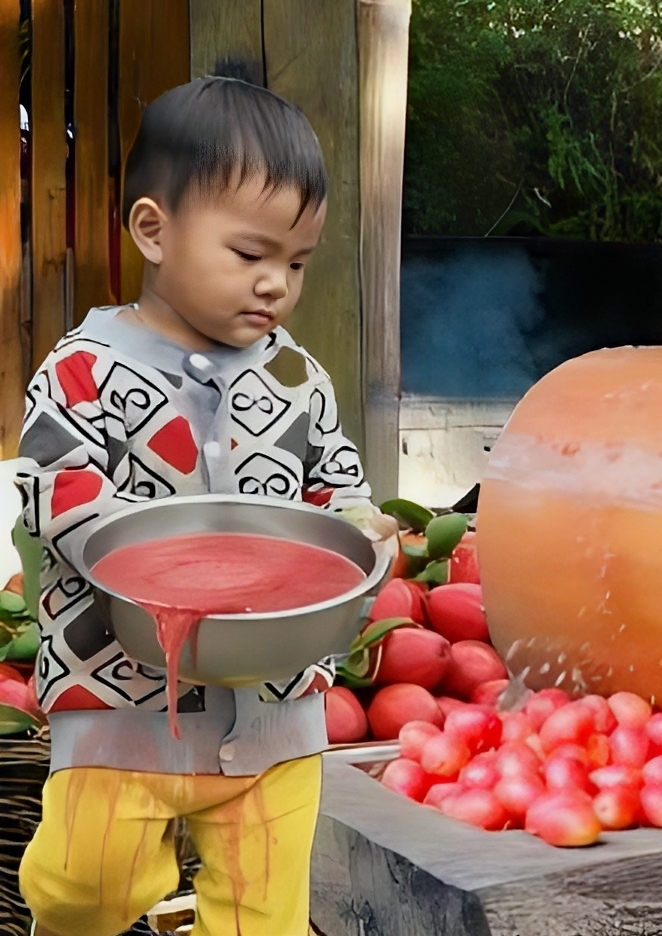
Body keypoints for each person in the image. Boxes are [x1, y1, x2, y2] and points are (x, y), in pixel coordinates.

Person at [11, 72, 394, 936]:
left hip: (274, 703)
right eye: (250, 255)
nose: (276, 286)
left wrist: (366, 530)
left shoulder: (296, 375)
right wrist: (151, 558)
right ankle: (119, 894)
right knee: (84, 887)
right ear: (154, 230)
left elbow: (335, 483)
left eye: (297, 264)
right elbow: (54, 488)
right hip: (119, 697)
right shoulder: (83, 370)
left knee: (266, 914)